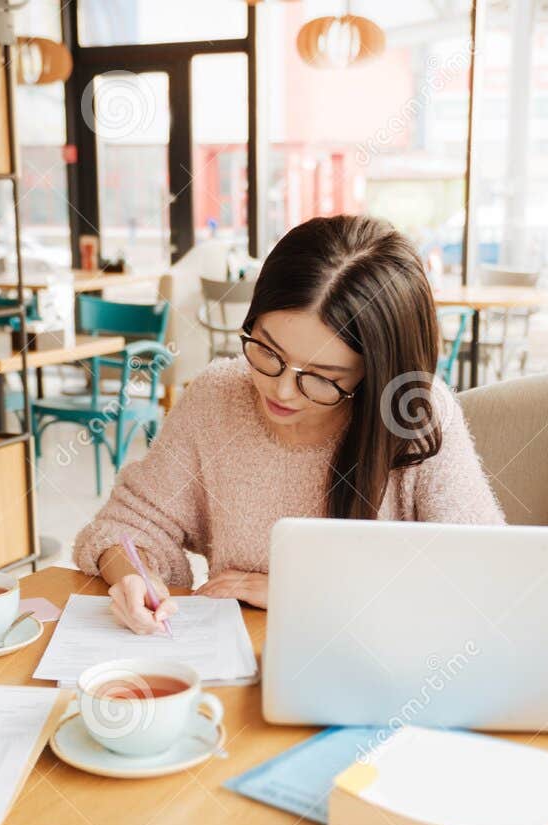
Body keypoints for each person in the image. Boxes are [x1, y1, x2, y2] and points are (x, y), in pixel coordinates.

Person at [73, 214, 504, 633]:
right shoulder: (217, 396)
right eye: (268, 351)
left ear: (374, 374)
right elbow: (126, 525)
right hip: (243, 657)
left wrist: (304, 595)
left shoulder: (415, 414)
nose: (281, 391)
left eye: (321, 378)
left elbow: (484, 579)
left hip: (376, 664)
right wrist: (133, 576)